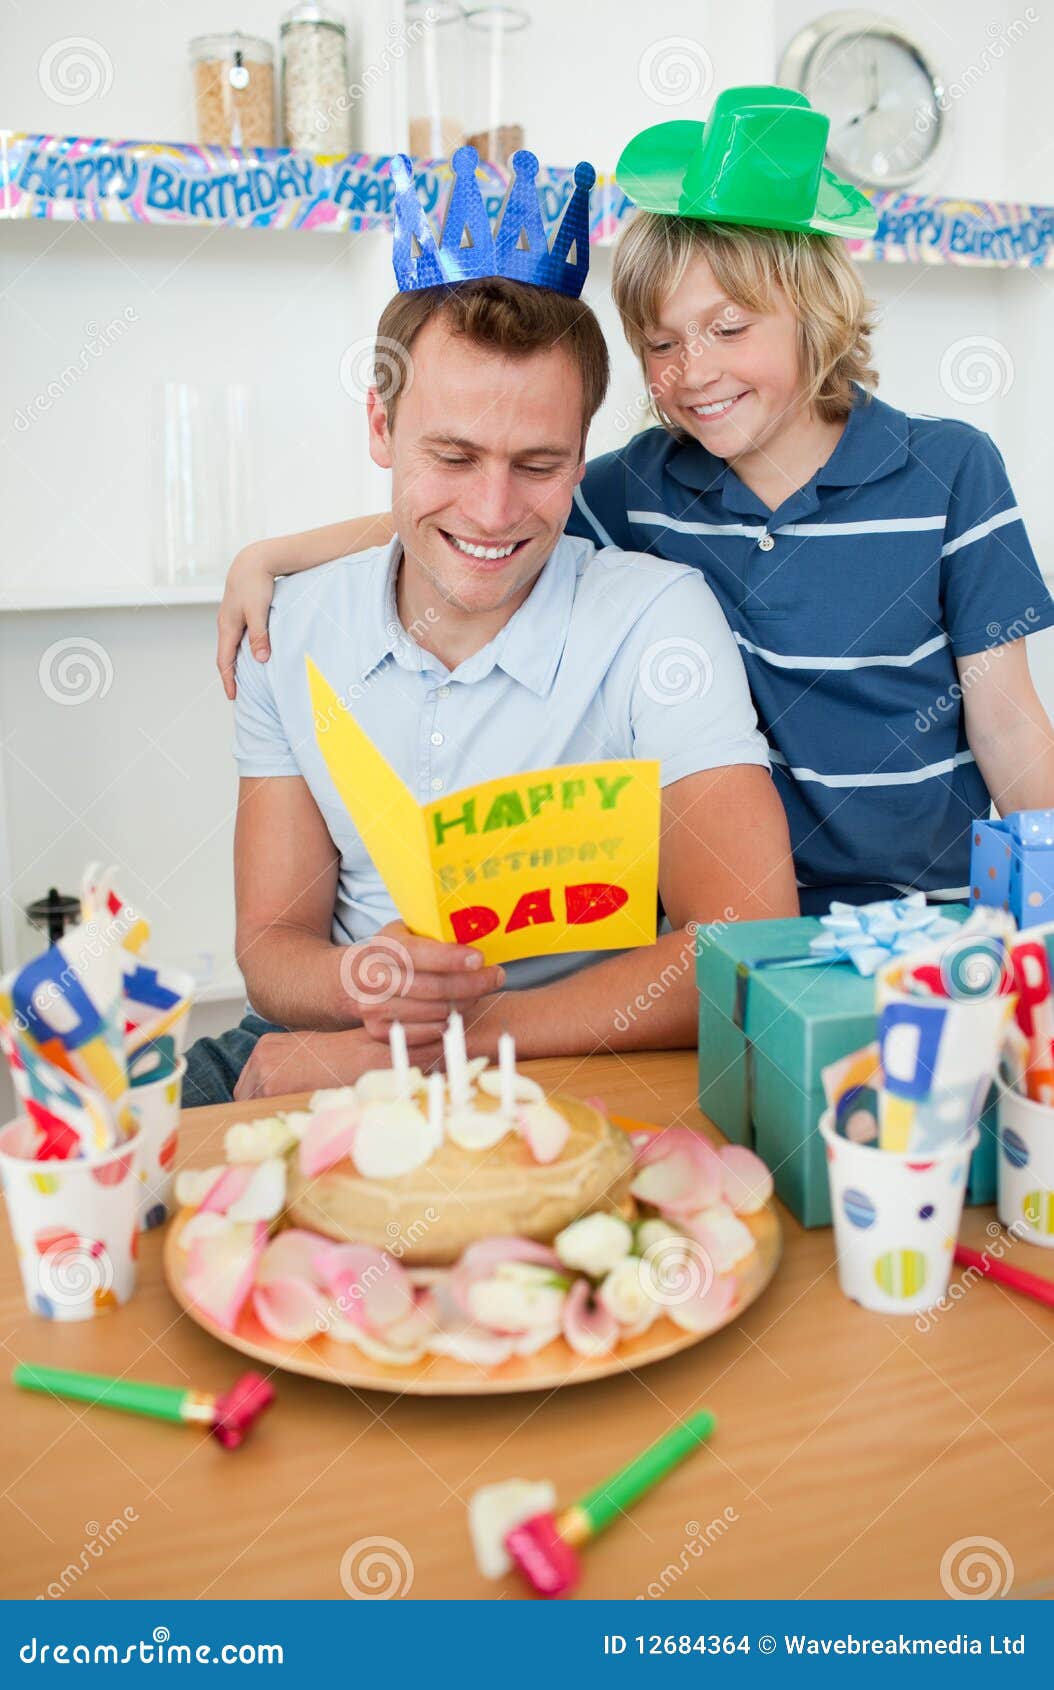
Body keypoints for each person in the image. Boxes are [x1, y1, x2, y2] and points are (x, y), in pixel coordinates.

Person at [215, 87, 1054, 916]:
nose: (694, 371)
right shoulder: (635, 487)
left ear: (816, 312)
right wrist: (274, 557)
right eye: (661, 343)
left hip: (936, 917)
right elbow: (482, 512)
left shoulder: (949, 471)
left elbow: (1008, 727)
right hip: (738, 933)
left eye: (729, 330)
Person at [184, 266, 797, 1106]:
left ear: (583, 458)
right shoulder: (285, 630)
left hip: (570, 1048)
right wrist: (360, 981)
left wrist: (452, 1048)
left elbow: (747, 939)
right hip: (334, 1039)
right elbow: (271, 946)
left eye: (539, 464)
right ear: (380, 425)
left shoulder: (655, 619)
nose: (494, 509)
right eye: (453, 456)